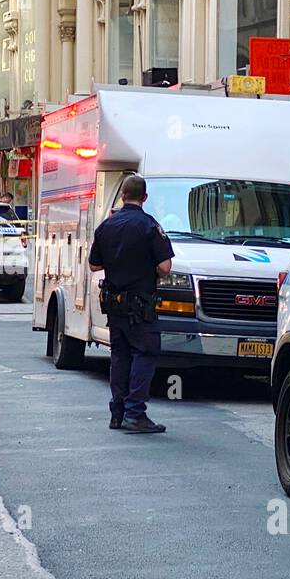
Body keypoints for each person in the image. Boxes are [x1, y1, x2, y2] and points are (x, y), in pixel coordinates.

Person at [88, 174, 174, 434]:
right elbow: (165, 267)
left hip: (115, 305)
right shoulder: (150, 226)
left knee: (119, 356)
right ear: (144, 198)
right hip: (140, 306)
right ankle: (135, 413)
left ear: (122, 196)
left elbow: (94, 265)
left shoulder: (107, 226)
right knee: (144, 354)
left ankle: (117, 413)